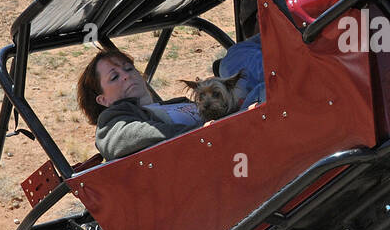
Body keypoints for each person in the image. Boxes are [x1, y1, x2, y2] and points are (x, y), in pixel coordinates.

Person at [78, 37, 267, 160]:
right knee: (259, 80)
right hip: (227, 145)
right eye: (114, 77)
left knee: (239, 52)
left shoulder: (171, 104)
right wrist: (202, 132)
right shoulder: (113, 122)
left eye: (128, 68)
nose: (126, 75)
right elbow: (117, 139)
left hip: (237, 127)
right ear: (103, 100)